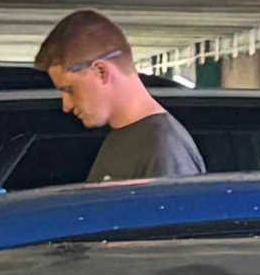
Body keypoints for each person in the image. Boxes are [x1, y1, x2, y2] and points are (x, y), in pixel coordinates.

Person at [35, 10, 204, 182]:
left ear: (101, 71)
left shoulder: (164, 149)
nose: (66, 105)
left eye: (70, 90)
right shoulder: (126, 136)